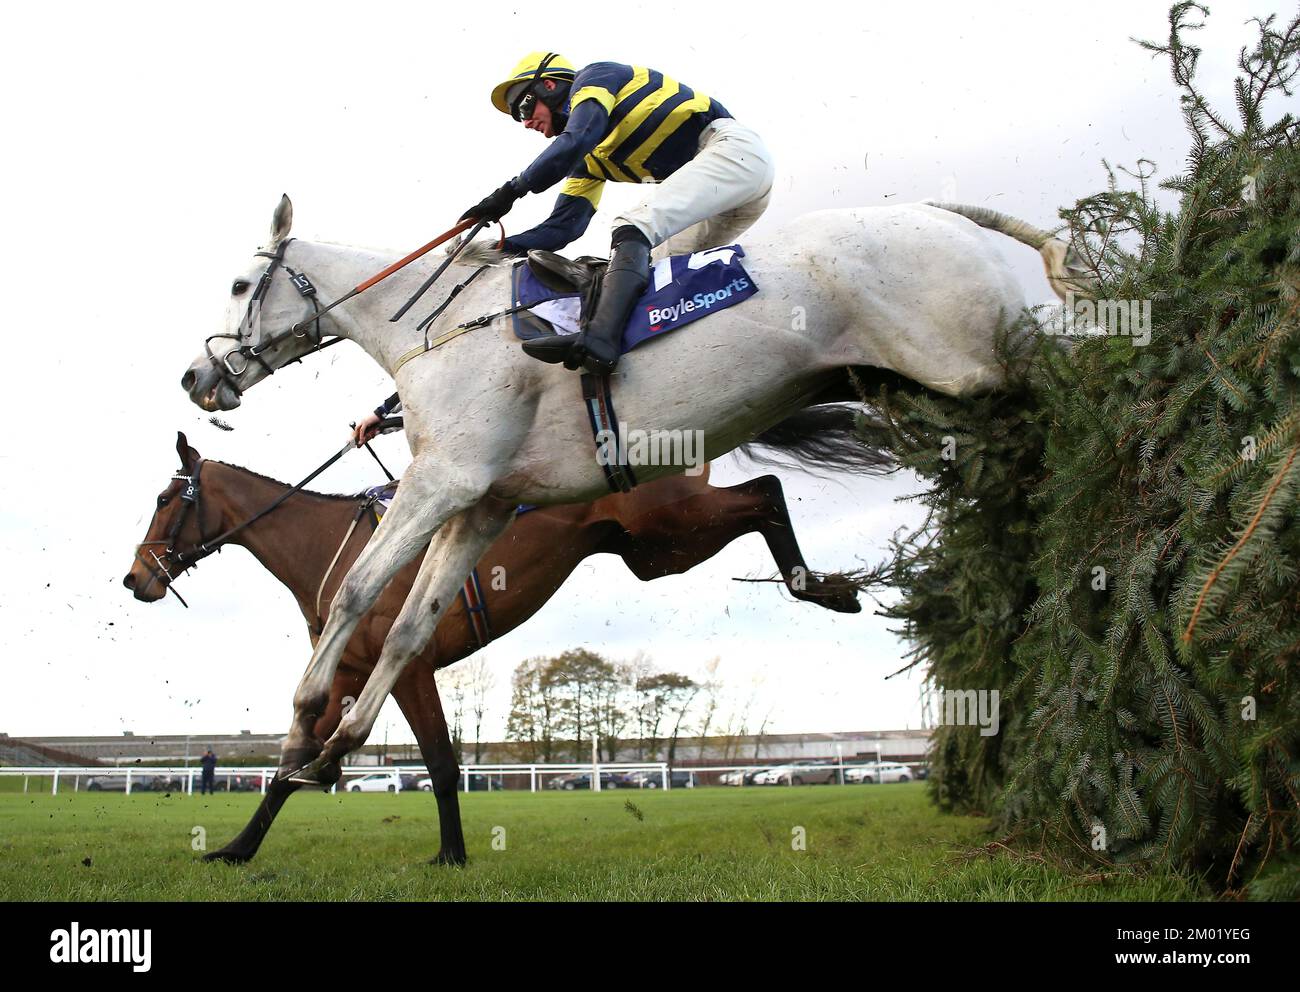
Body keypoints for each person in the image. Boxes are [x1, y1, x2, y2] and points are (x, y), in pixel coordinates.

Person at [459, 52, 775, 375]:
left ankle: (600, 340)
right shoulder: (588, 159)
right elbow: (563, 228)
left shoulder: (594, 77)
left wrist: (510, 191)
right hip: (724, 193)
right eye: (518, 118)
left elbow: (576, 138)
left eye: (524, 108)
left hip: (732, 151)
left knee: (631, 225)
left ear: (549, 85)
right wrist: (492, 250)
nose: (526, 122)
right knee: (658, 275)